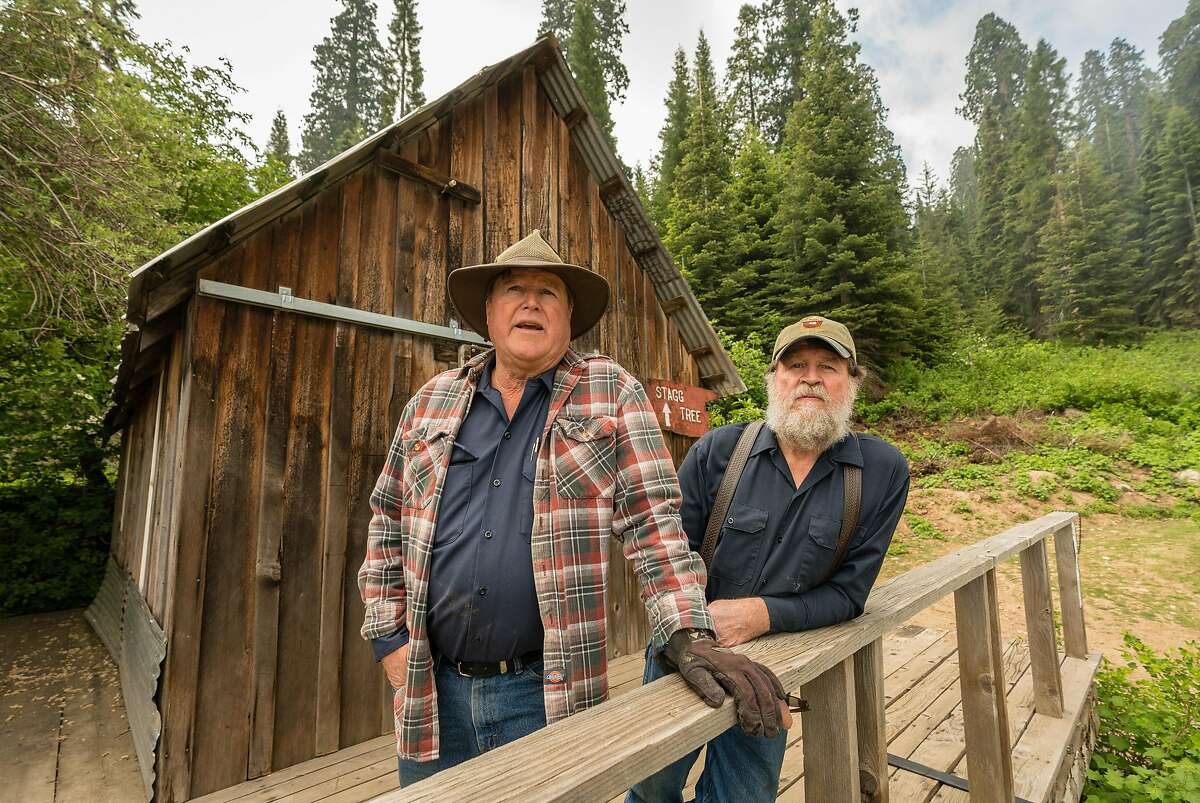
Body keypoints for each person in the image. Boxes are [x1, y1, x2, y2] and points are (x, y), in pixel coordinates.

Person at [358, 230, 788, 786]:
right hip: (428, 690)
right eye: (514, 289)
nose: (531, 302)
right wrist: (389, 641)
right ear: (489, 315)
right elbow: (386, 522)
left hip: (546, 693)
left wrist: (688, 635)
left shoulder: (611, 393)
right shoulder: (430, 401)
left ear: (569, 319)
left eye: (549, 292)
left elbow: (656, 528)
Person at [628, 315, 910, 803]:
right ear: (773, 379)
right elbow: (666, 558)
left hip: (771, 667)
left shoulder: (882, 472)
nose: (811, 377)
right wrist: (689, 636)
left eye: (828, 366)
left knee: (744, 796)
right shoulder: (718, 450)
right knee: (652, 789)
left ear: (852, 382)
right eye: (795, 364)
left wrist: (761, 615)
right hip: (684, 651)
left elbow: (849, 594)